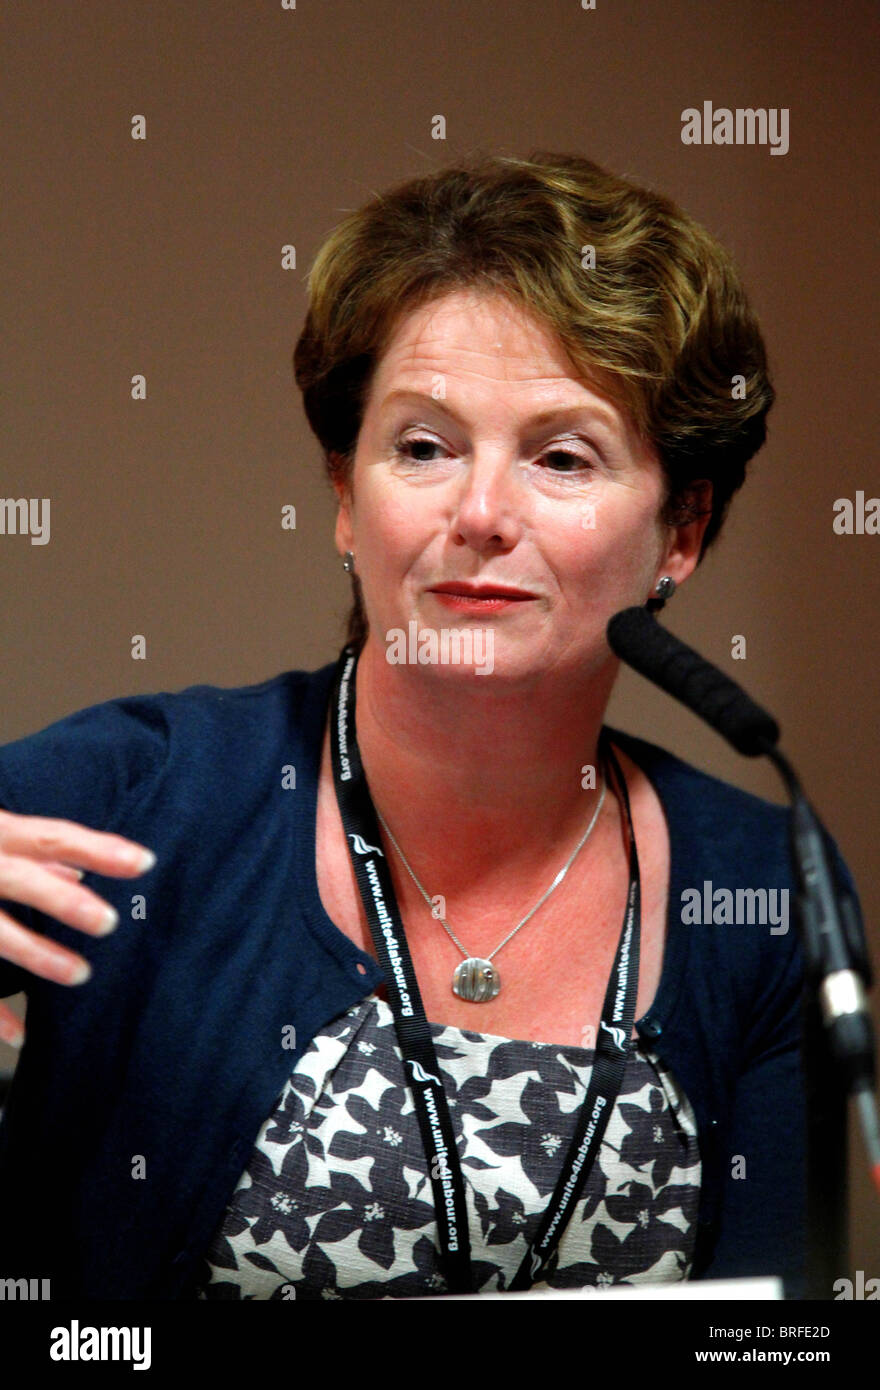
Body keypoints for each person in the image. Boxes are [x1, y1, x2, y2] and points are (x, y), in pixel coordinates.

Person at [0, 151, 862, 1301]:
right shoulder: (121, 799)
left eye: (562, 456)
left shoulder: (761, 894)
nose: (480, 514)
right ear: (348, 501)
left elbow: (774, 1335)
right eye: (422, 446)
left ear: (681, 532)